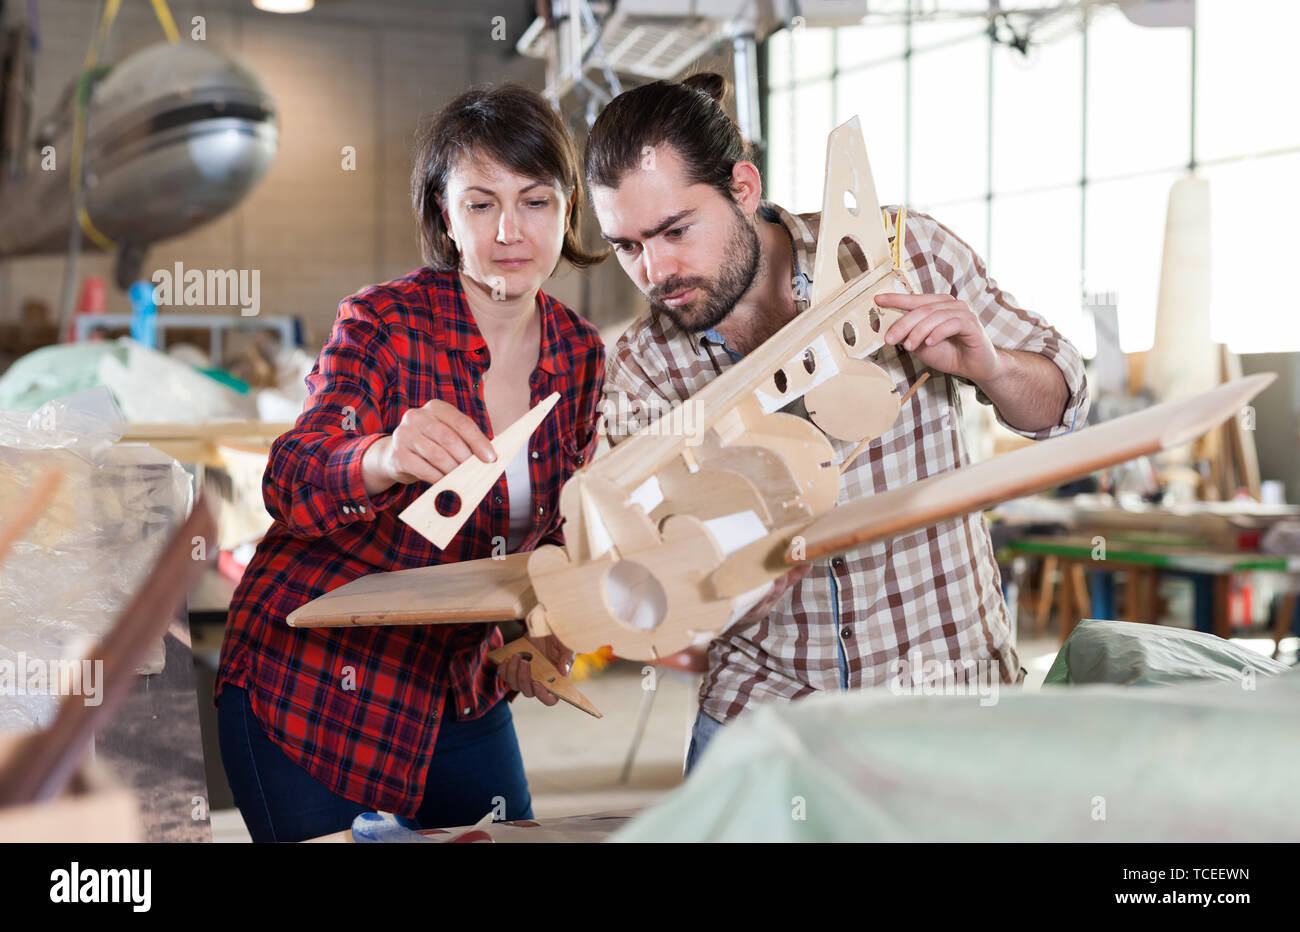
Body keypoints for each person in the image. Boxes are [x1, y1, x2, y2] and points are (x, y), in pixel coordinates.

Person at [583, 73, 1090, 774]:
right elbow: (663, 586)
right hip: (764, 705)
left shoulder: (907, 253)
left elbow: (1066, 400)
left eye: (675, 231)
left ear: (743, 188)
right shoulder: (643, 366)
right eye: (627, 247)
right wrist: (721, 590)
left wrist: (992, 367)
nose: (656, 270)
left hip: (947, 683)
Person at [215, 84, 606, 841]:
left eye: (535, 202)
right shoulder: (385, 322)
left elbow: (553, 534)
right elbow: (289, 478)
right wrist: (383, 456)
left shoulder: (579, 353)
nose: (510, 232)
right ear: (444, 215)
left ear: (567, 210)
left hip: (459, 689)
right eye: (480, 204)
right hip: (313, 684)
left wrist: (536, 628)